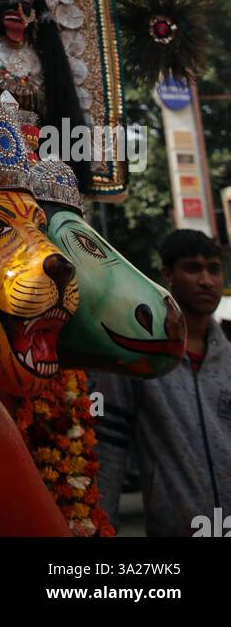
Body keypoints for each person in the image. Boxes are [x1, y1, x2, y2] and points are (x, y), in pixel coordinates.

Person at [95, 229, 231, 537]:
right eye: (193, 268)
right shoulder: (140, 359)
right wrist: (101, 527)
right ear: (167, 274)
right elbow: (109, 449)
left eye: (214, 269)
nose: (206, 280)